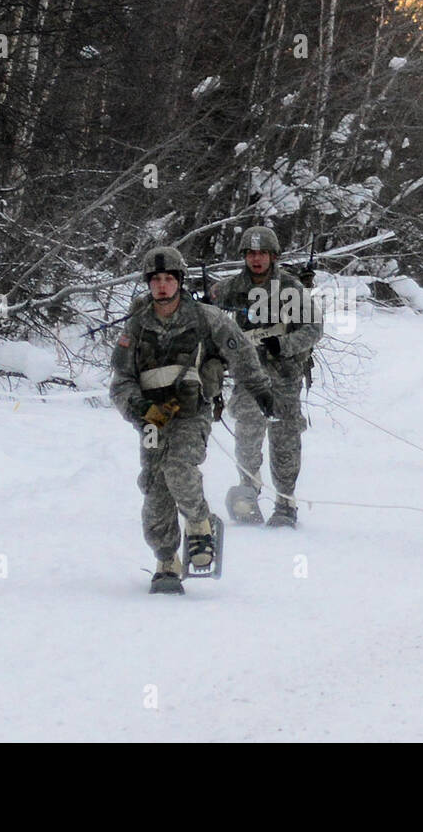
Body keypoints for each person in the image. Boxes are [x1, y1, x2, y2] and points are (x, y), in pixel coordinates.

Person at [110, 246, 276, 593]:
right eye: (155, 280)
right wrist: (141, 410)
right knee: (155, 491)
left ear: (179, 281)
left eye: (169, 278)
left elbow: (240, 352)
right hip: (152, 420)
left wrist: (261, 391)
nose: (162, 286)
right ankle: (166, 560)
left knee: (179, 468)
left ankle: (200, 525)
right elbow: (120, 382)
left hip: (191, 413)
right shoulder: (136, 327)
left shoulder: (205, 318)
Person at [209, 226, 323, 528]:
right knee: (247, 436)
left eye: (261, 253)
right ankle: (248, 492)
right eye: (250, 253)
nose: (256, 259)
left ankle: (285, 502)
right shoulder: (230, 288)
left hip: (283, 375)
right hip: (248, 375)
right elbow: (209, 320)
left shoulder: (291, 288)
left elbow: (313, 329)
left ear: (273, 256)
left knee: (285, 439)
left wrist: (283, 345)